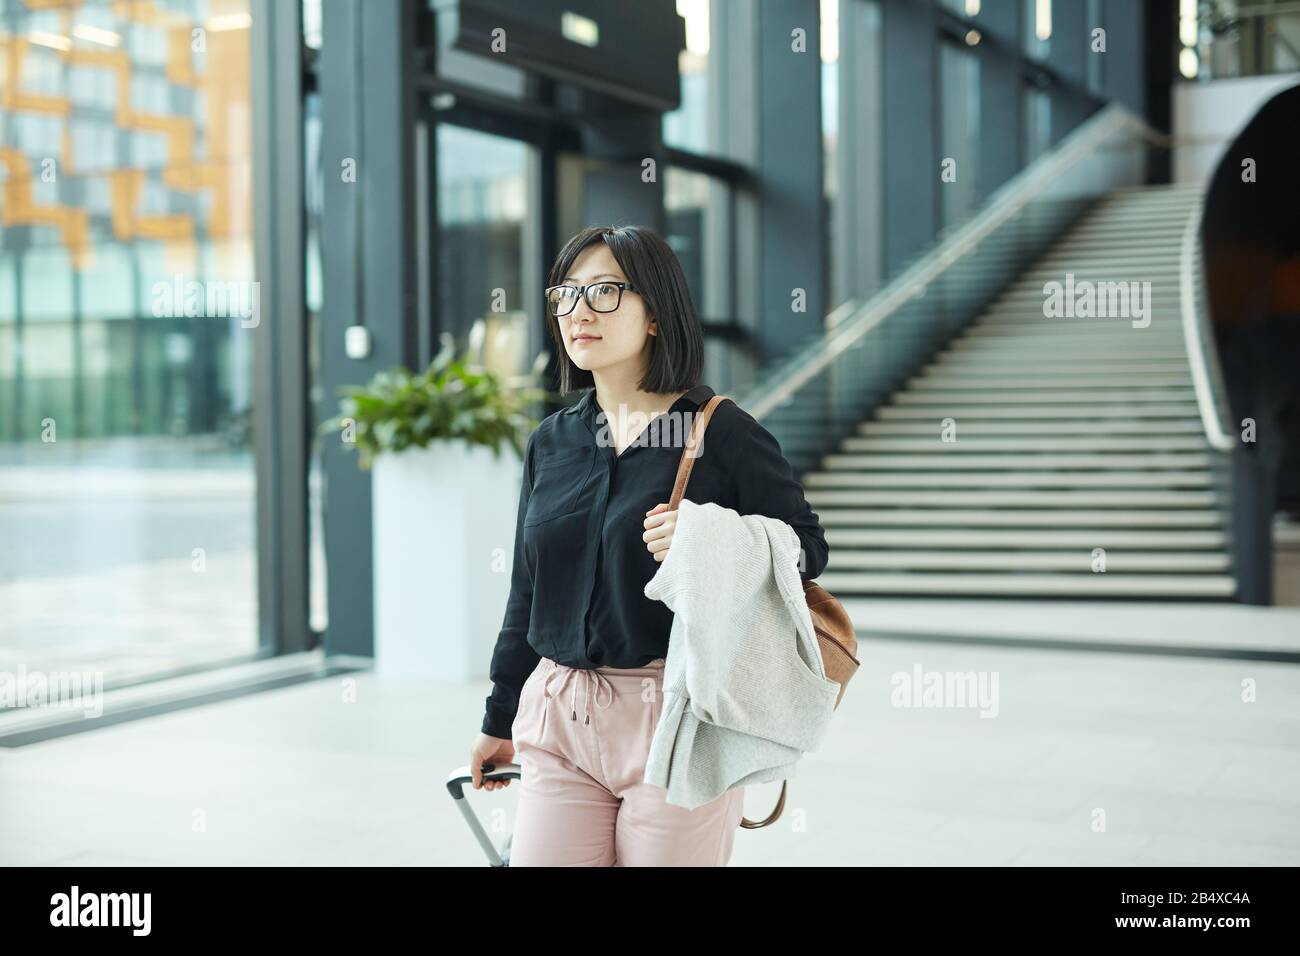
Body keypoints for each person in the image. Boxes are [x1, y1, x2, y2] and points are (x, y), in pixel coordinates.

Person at [466, 224, 829, 866]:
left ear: (656, 314)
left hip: (678, 716)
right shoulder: (553, 441)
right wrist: (498, 717)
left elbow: (807, 549)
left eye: (605, 292)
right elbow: (528, 590)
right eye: (566, 295)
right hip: (559, 717)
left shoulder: (722, 432)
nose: (580, 312)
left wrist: (709, 537)